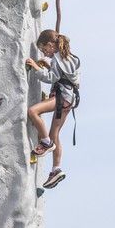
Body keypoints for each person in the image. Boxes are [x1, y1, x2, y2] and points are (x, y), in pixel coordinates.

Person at [26, 28, 81, 189]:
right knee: (55, 134)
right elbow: (62, 74)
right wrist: (48, 64)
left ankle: (45, 142)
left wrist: (36, 67)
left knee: (33, 111)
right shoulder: (69, 57)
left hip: (61, 98)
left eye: (44, 50)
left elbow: (51, 78)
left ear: (51, 45)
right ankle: (56, 169)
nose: (45, 53)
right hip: (70, 99)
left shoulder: (57, 59)